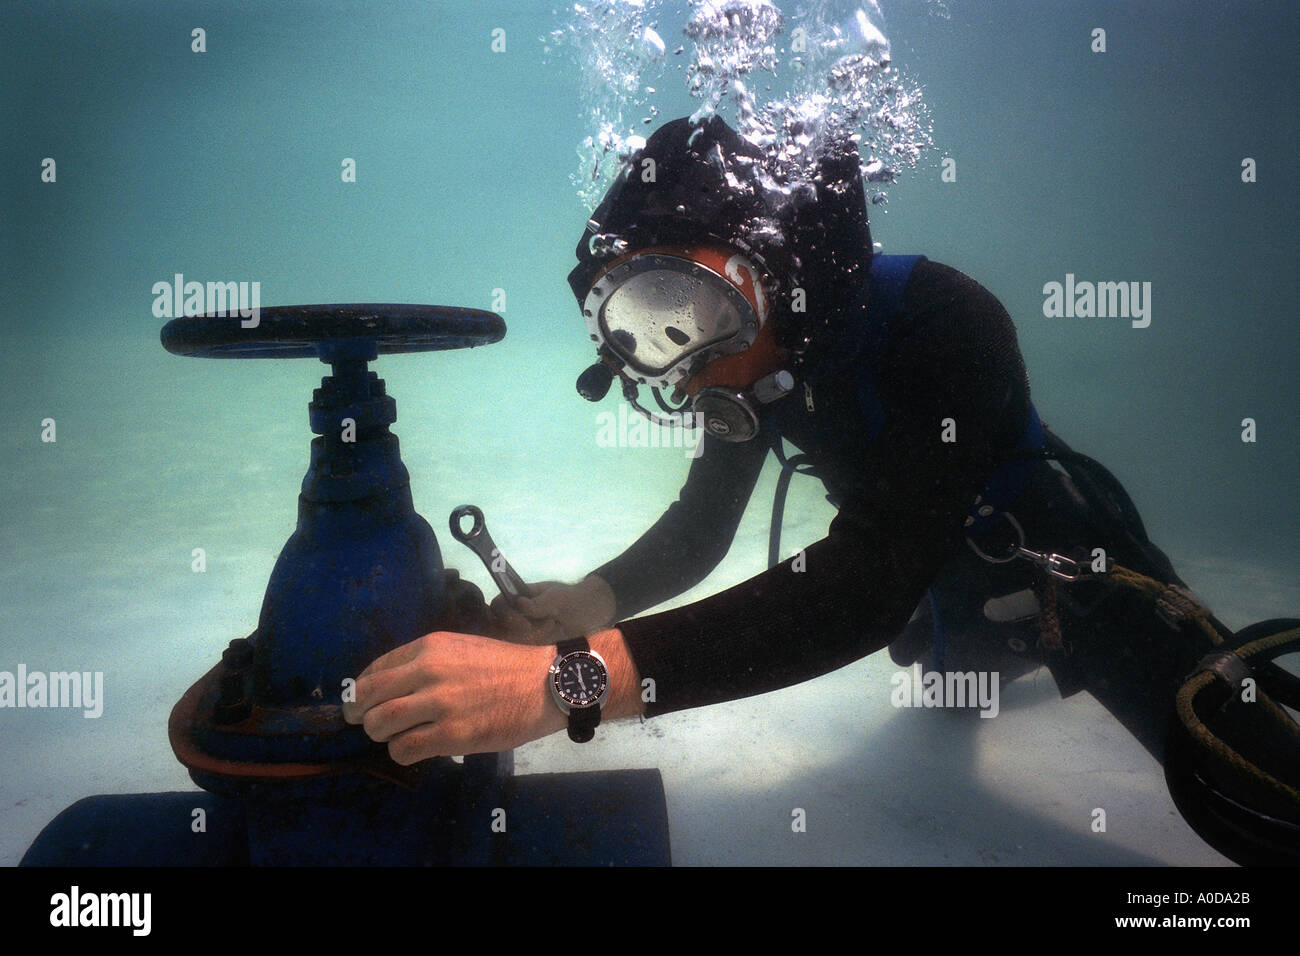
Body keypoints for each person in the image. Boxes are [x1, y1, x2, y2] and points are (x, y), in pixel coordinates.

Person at [342, 115, 1215, 775]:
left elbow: (863, 590)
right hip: (931, 593)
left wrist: (567, 682)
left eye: (690, 311)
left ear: (777, 268)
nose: (679, 368)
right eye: (644, 324)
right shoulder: (759, 358)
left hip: (1061, 569)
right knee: (946, 688)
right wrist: (592, 601)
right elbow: (701, 528)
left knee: (1232, 778)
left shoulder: (945, 321)